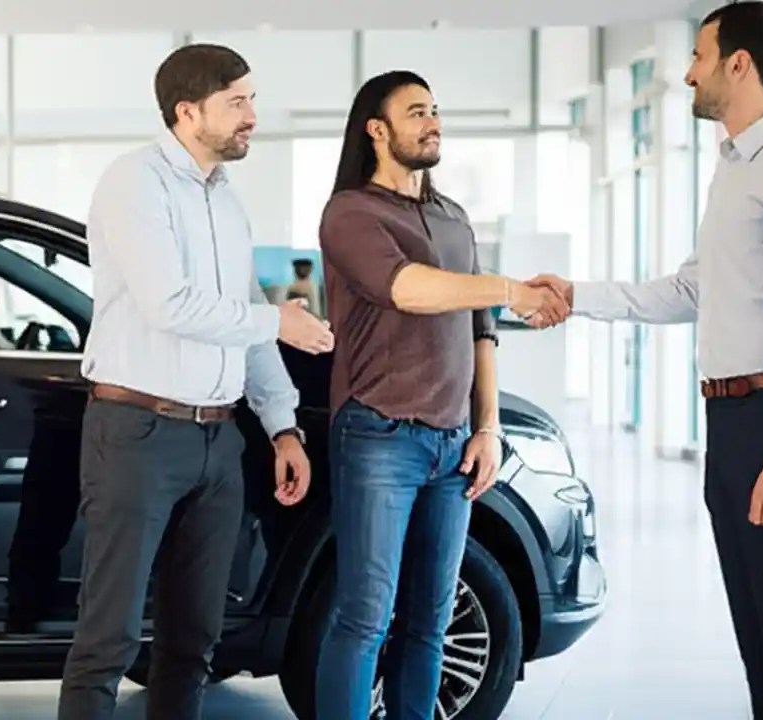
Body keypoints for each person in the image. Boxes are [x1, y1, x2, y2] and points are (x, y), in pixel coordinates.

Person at [528, 3, 763, 718]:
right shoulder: (733, 169)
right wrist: (578, 295)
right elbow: (691, 289)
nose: (687, 73)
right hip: (733, 417)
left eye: (699, 57)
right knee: (758, 634)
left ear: (739, 63)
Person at [57, 43, 335, 720]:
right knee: (110, 639)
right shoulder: (135, 183)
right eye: (237, 102)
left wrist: (283, 426)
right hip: (138, 433)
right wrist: (277, 321)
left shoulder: (226, 200)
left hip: (218, 441)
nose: (252, 116)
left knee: (195, 641)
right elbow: (171, 305)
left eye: (252, 100)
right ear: (187, 111)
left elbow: (246, 313)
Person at [312, 70, 568, 719]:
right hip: (378, 437)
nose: (433, 123)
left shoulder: (453, 218)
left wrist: (487, 428)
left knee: (430, 618)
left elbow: (481, 332)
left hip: (453, 447)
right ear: (377, 130)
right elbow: (408, 289)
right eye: (417, 112)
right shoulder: (350, 213)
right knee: (366, 617)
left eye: (435, 111)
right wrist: (510, 288)